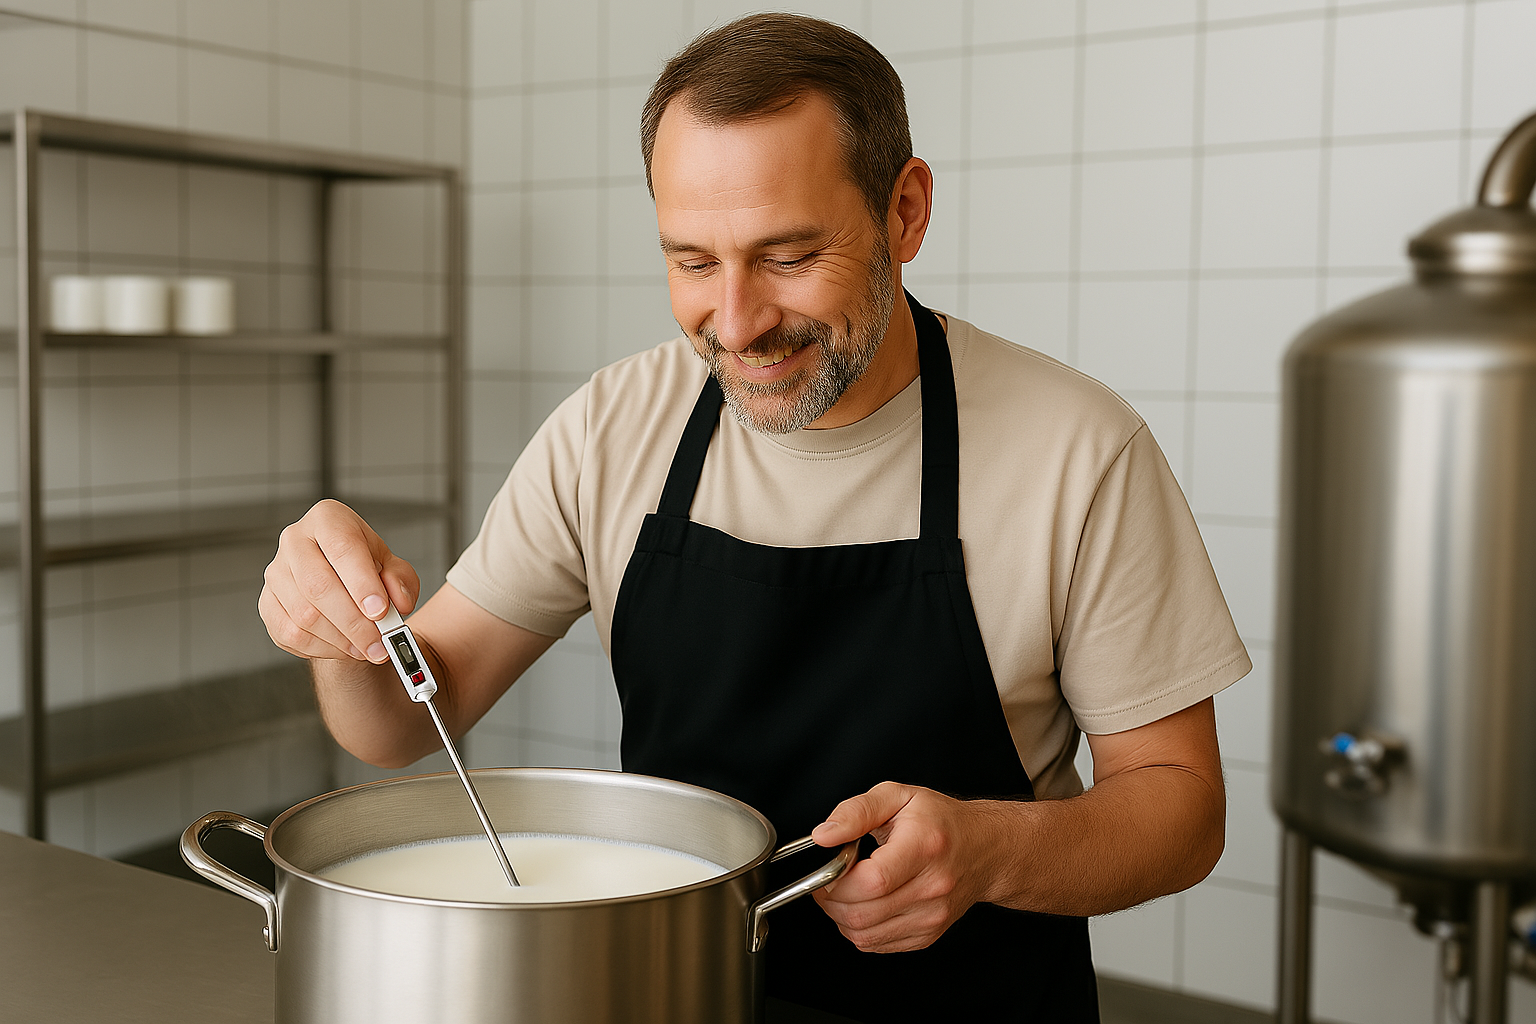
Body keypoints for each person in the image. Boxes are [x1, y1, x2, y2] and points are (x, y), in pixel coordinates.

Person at [259, 13, 1250, 1022]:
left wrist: (993, 852)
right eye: (693, 262)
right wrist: (341, 630)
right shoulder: (612, 428)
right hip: (664, 995)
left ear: (904, 211)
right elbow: (400, 720)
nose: (734, 325)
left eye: (786, 256)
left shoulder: (1076, 447)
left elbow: (1181, 804)